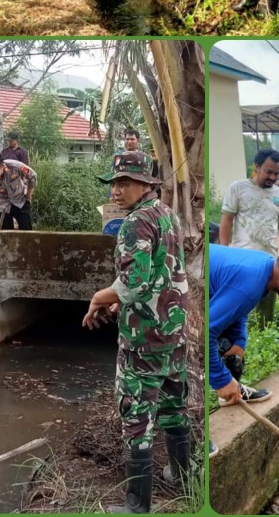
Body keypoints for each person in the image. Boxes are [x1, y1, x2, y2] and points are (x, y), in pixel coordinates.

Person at [83, 152, 189, 513]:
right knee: (174, 405)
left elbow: (134, 281)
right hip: (173, 331)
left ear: (145, 184)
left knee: (136, 416)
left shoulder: (134, 224)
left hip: (144, 339)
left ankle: (137, 506)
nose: (116, 190)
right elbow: (160, 273)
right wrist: (120, 301)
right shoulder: (166, 215)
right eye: (114, 183)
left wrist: (101, 297)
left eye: (124, 182)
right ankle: (183, 477)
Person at [208, 244, 279, 454]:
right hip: (170, 288)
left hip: (196, 286)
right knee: (184, 355)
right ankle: (190, 435)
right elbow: (203, 333)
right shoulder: (250, 281)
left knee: (229, 346)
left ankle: (231, 392)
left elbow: (237, 306)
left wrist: (239, 340)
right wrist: (219, 379)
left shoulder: (265, 269)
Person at [219, 148, 279, 326]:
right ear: (257, 166)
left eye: (276, 174)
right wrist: (224, 250)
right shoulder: (238, 188)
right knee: (239, 307)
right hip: (242, 258)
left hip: (269, 260)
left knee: (266, 306)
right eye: (268, 172)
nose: (272, 177)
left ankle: (264, 332)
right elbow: (227, 220)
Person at [0, 152, 37, 230]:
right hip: (1, 203)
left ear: (2, 166)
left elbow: (33, 176)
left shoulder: (16, 166)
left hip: (20, 199)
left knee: (26, 231)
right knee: (5, 235)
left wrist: (28, 196)